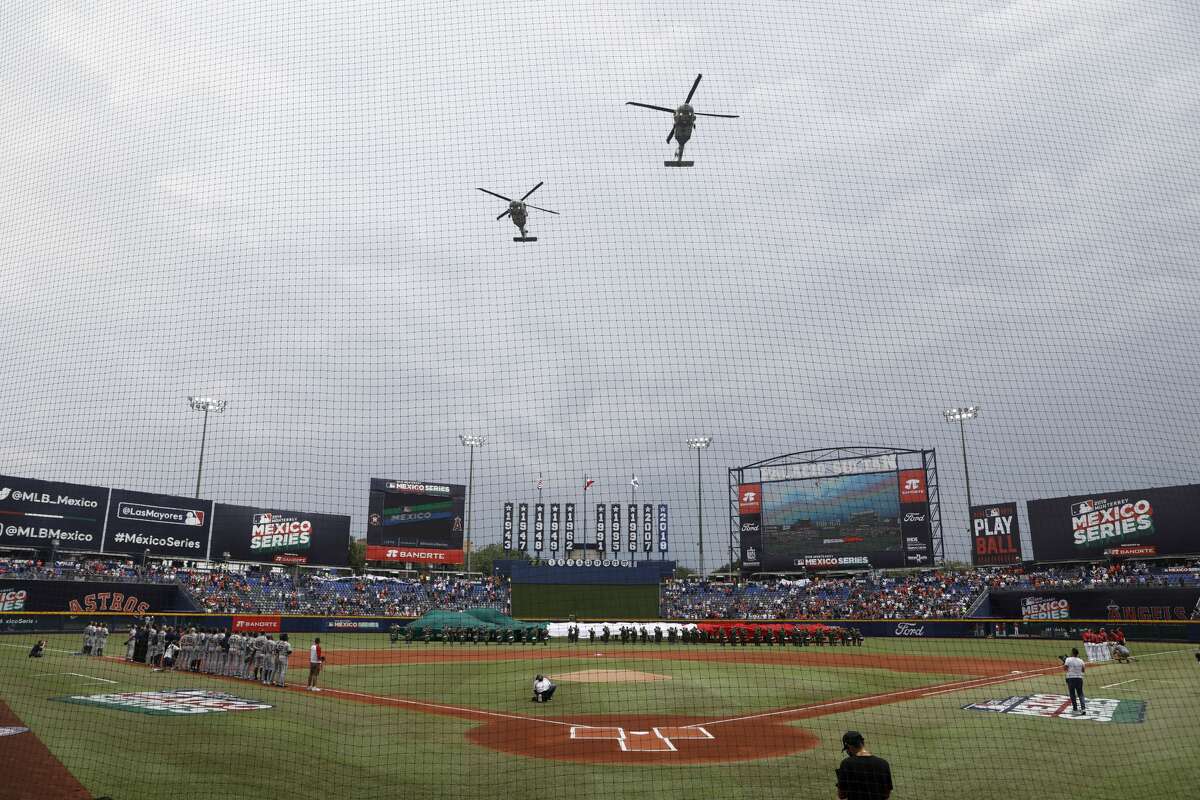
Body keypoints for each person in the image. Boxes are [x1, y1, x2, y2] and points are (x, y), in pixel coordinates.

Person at [835, 730, 892, 800]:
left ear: (849, 746)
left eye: (847, 749)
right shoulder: (883, 763)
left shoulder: (846, 764)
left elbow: (841, 795)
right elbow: (886, 795)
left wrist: (840, 783)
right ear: (862, 743)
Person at [1062, 647, 1086, 715]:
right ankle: (1083, 709)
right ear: (1077, 654)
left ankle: (1075, 709)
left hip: (1071, 679)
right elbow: (1083, 670)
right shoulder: (1081, 660)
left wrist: (1064, 662)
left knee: (1072, 694)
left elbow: (1065, 669)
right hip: (1079, 679)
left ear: (1072, 653)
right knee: (1080, 694)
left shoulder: (1068, 659)